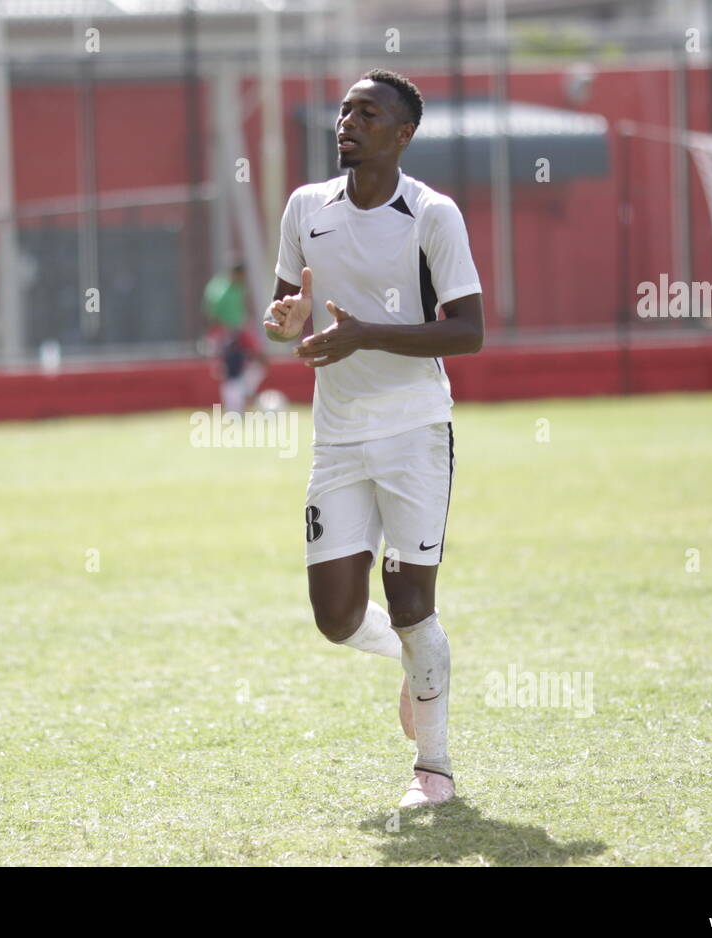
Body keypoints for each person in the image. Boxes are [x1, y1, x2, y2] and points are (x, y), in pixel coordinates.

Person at [263, 69, 484, 808]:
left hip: (416, 430)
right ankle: (410, 664)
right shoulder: (305, 207)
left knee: (412, 598)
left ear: (403, 133)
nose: (347, 122)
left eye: (368, 112)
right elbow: (286, 301)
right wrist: (288, 322)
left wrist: (364, 337)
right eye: (344, 110)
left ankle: (436, 769)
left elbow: (468, 329)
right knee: (335, 617)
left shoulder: (432, 215)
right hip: (338, 439)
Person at [202, 263, 266, 413]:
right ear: (235, 273)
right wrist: (220, 339)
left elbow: (242, 309)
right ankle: (234, 409)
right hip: (226, 335)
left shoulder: (239, 287)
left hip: (240, 331)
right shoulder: (220, 290)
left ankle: (244, 395)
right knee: (232, 371)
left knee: (259, 362)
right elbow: (210, 315)